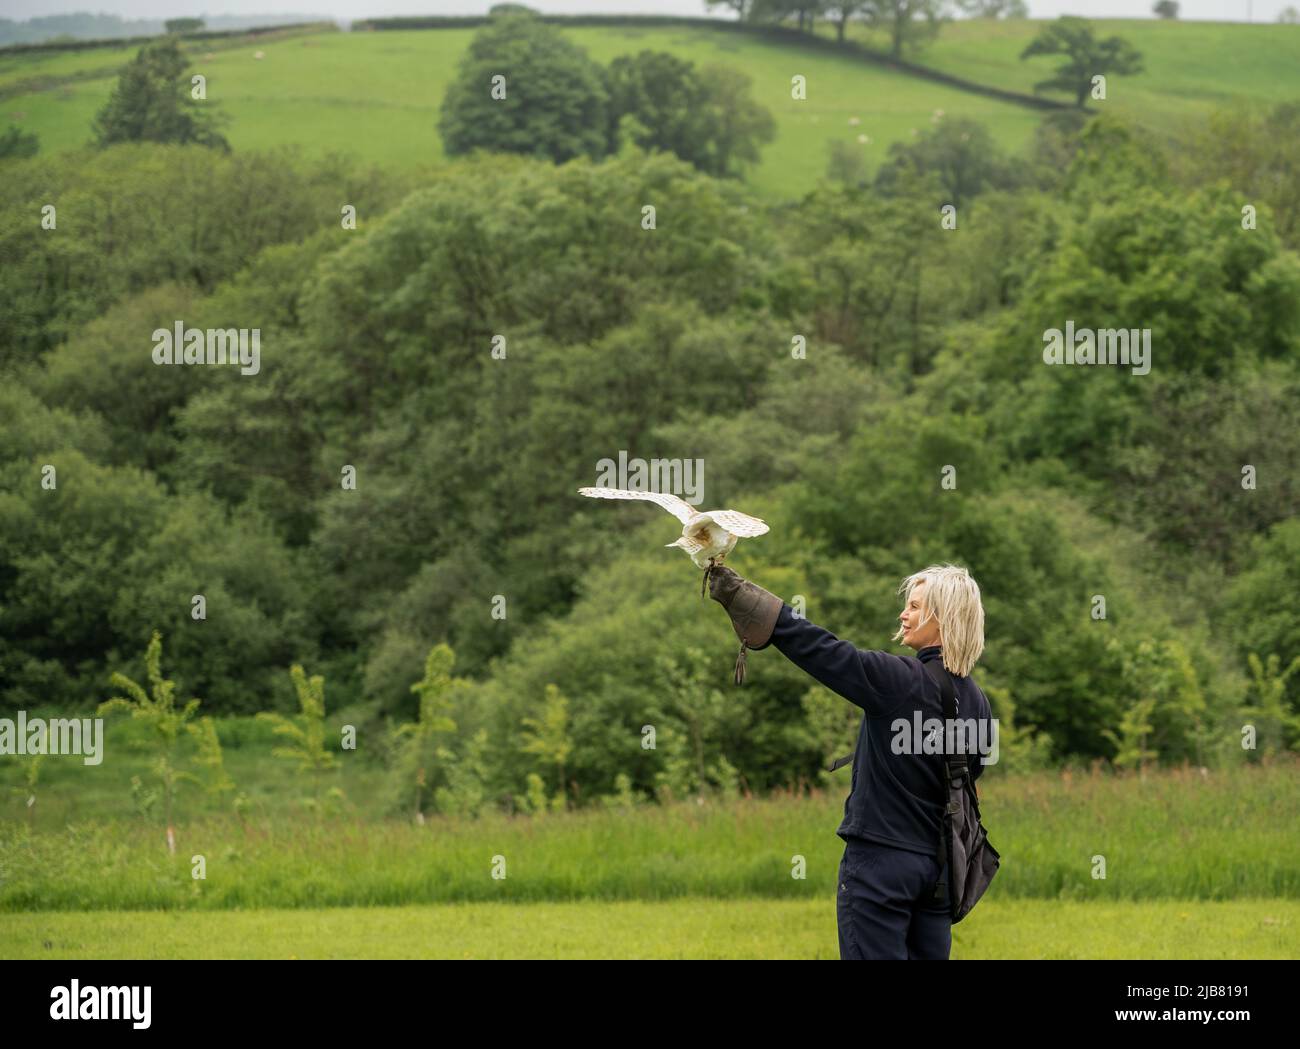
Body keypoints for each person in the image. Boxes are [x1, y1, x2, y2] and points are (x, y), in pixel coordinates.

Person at [707, 562, 992, 960]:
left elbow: (824, 651)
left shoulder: (899, 679)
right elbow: (968, 776)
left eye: (913, 606)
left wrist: (749, 601)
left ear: (941, 617)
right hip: (940, 875)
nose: (903, 614)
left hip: (880, 870)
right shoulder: (980, 704)